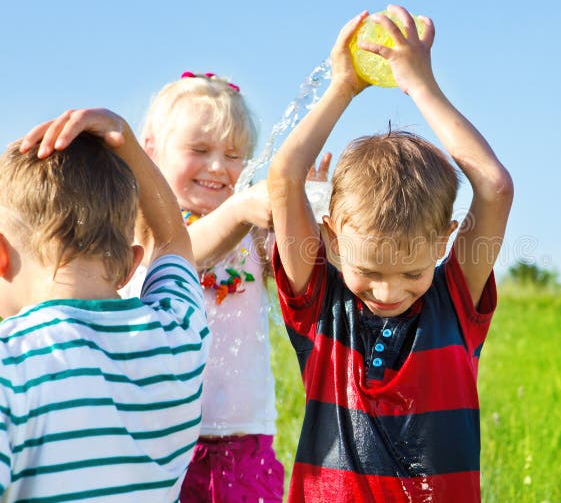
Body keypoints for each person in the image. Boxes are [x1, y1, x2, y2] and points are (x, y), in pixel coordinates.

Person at [267, 5, 514, 502]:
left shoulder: (454, 305)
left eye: (412, 271)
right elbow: (284, 177)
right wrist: (343, 86)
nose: (389, 290)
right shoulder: (320, 310)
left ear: (444, 242)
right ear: (331, 237)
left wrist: (420, 85)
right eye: (369, 270)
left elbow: (493, 186)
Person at [127, 71, 329, 501]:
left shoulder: (253, 234)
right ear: (151, 151)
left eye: (235, 155)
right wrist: (240, 209)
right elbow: (182, 253)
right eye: (199, 150)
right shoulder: (140, 227)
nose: (218, 166)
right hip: (157, 443)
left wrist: (305, 210)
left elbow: (304, 269)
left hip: (245, 440)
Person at [0, 109, 209, 501]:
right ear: (132, 265)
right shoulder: (178, 334)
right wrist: (124, 138)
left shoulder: (10, 361)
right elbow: (175, 241)